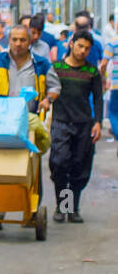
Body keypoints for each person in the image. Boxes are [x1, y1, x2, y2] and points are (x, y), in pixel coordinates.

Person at [0, 24, 61, 230]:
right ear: (8, 40)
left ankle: (30, 210)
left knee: (31, 164)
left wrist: (48, 99)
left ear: (30, 41)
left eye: (22, 40)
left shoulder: (41, 65)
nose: (18, 44)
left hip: (27, 120)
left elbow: (55, 86)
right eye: (14, 39)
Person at [49, 30, 103, 223]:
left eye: (87, 49)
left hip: (83, 125)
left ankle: (73, 208)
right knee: (60, 163)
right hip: (61, 123)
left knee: (80, 166)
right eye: (80, 46)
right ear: (71, 44)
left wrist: (97, 122)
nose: (83, 51)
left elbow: (98, 98)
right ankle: (62, 206)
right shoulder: (56, 68)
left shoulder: (92, 72)